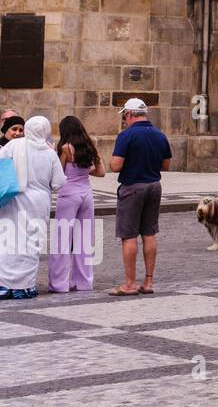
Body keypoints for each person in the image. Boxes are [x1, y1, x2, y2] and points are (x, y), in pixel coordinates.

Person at [108, 99, 171, 296]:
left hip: (133, 186)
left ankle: (129, 283)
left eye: (124, 117)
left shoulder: (126, 136)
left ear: (129, 114)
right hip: (154, 185)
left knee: (129, 235)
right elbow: (166, 165)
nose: (124, 121)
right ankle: (148, 282)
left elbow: (116, 165)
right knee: (149, 234)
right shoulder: (160, 135)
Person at [0, 116, 65, 299]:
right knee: (31, 243)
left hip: (13, 199)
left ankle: (4, 284)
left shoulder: (13, 146)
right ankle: (24, 286)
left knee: (8, 241)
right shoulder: (49, 153)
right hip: (38, 203)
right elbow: (58, 182)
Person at [49, 116, 104, 293]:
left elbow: (59, 173)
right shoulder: (91, 146)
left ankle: (59, 283)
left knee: (62, 239)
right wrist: (85, 172)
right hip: (86, 194)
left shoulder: (65, 148)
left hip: (69, 194)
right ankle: (83, 282)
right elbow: (101, 172)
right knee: (84, 239)